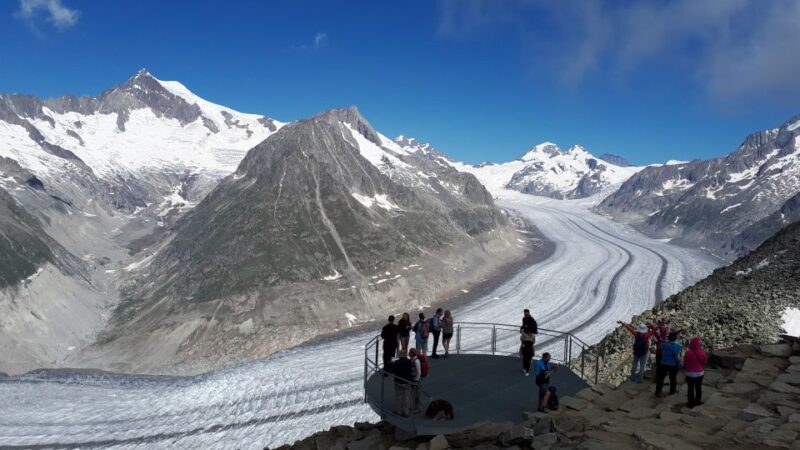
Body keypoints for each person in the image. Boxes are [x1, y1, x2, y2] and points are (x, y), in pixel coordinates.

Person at [683, 336, 707, 408]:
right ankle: (698, 401)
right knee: (698, 387)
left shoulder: (688, 353)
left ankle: (690, 403)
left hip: (690, 374)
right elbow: (704, 362)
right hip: (700, 373)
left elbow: (685, 362)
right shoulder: (702, 352)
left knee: (690, 388)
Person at [656, 332, 682, 397]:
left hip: (663, 363)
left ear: (668, 337)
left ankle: (658, 391)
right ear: (675, 338)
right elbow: (678, 356)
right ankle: (672, 391)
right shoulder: (677, 346)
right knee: (673, 378)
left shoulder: (663, 344)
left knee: (660, 378)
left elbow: (660, 350)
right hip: (673, 365)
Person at [392, 350, 414, 417]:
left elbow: (393, 370)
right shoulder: (410, 362)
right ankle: (406, 412)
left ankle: (399, 411)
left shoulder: (396, 362)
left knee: (399, 397)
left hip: (398, 382)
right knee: (406, 397)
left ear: (399, 355)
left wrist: (392, 363)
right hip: (407, 382)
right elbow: (411, 370)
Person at [409, 348, 422, 413]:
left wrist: (416, 380)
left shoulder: (416, 361)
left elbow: (419, 372)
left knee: (417, 394)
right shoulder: (412, 359)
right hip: (413, 379)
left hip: (416, 380)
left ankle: (418, 408)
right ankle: (412, 406)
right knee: (412, 393)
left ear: (411, 353)